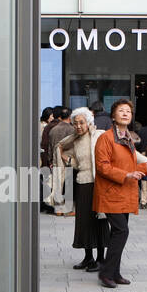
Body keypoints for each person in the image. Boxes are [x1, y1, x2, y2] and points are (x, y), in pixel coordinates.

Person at [93, 99, 147, 289]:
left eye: (128, 111)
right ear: (113, 115)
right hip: (111, 192)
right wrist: (126, 174)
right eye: (121, 111)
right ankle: (106, 272)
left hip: (124, 192)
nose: (126, 114)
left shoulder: (128, 137)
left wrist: (146, 166)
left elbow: (129, 166)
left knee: (117, 233)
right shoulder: (106, 138)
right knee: (121, 231)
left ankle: (115, 272)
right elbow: (102, 166)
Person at [57, 107, 109, 271]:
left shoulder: (99, 136)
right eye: (75, 123)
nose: (78, 126)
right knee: (84, 221)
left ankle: (101, 258)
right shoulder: (75, 140)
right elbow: (74, 161)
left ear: (88, 122)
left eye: (81, 122)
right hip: (82, 183)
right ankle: (88, 257)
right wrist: (66, 159)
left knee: (99, 220)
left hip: (98, 182)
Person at [45, 107, 76, 216]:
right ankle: (68, 209)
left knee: (57, 184)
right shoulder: (72, 130)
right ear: (69, 117)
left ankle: (57, 209)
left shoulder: (53, 129)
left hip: (55, 161)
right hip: (67, 160)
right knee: (68, 184)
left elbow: (49, 147)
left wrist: (50, 161)